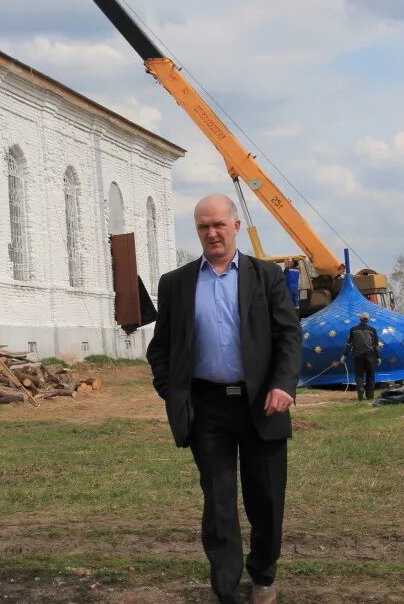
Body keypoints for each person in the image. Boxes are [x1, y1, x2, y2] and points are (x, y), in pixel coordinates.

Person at [147, 194, 300, 604]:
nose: (211, 233)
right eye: (202, 226)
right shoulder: (176, 283)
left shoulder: (266, 276)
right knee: (219, 503)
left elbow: (289, 336)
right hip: (207, 408)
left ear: (235, 227)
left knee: (265, 500)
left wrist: (283, 385)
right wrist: (174, 393)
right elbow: (160, 349)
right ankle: (227, 590)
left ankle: (264, 575)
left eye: (218, 224)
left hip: (262, 405)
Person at [341, 312, 380, 401]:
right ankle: (369, 395)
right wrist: (378, 357)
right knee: (370, 375)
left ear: (360, 319)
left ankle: (360, 389)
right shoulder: (372, 330)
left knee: (359, 375)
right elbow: (376, 345)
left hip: (358, 355)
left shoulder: (353, 330)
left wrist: (344, 355)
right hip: (370, 355)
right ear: (368, 320)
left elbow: (349, 344)